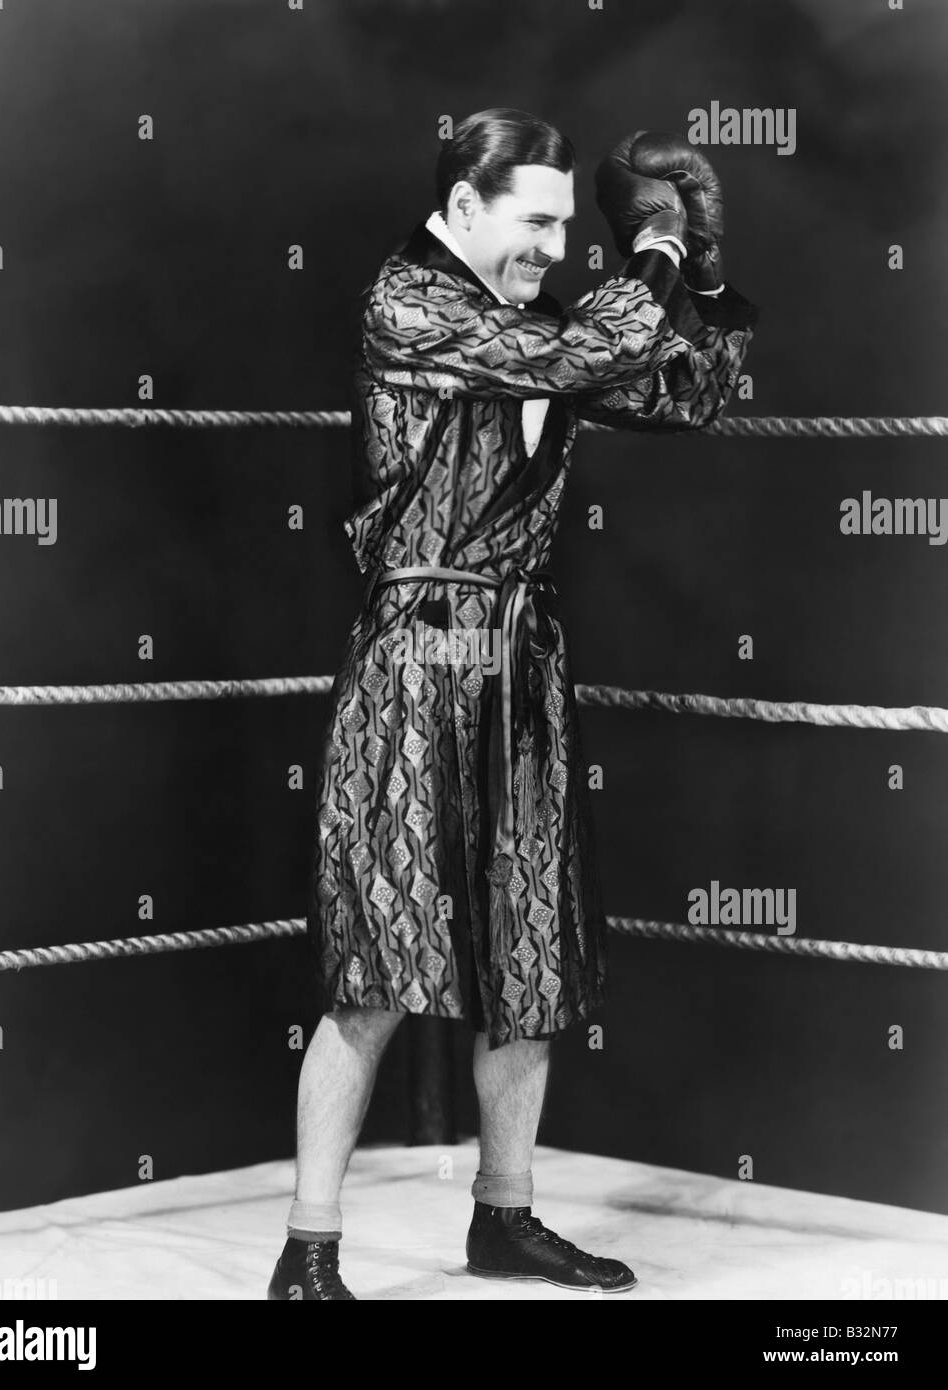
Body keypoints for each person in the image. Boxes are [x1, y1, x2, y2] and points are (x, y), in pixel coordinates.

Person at [268, 108, 758, 1300]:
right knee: (380, 967)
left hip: (522, 661)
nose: (552, 244)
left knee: (531, 951)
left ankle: (505, 1218)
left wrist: (700, 262)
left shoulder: (535, 328)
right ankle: (310, 1248)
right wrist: (645, 246)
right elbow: (585, 354)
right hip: (414, 655)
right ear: (466, 204)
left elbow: (700, 394)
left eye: (561, 221)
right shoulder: (409, 302)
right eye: (534, 222)